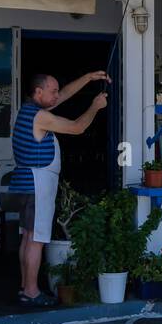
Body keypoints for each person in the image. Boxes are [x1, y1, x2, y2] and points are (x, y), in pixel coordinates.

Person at [11, 71, 109, 306]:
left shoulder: (26, 110)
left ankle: (25, 287)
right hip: (37, 183)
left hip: (26, 183)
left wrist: (88, 78)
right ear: (38, 92)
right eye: (52, 91)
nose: (57, 95)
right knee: (36, 239)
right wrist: (95, 106)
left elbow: (63, 94)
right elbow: (77, 128)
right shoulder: (40, 116)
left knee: (27, 236)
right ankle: (32, 291)